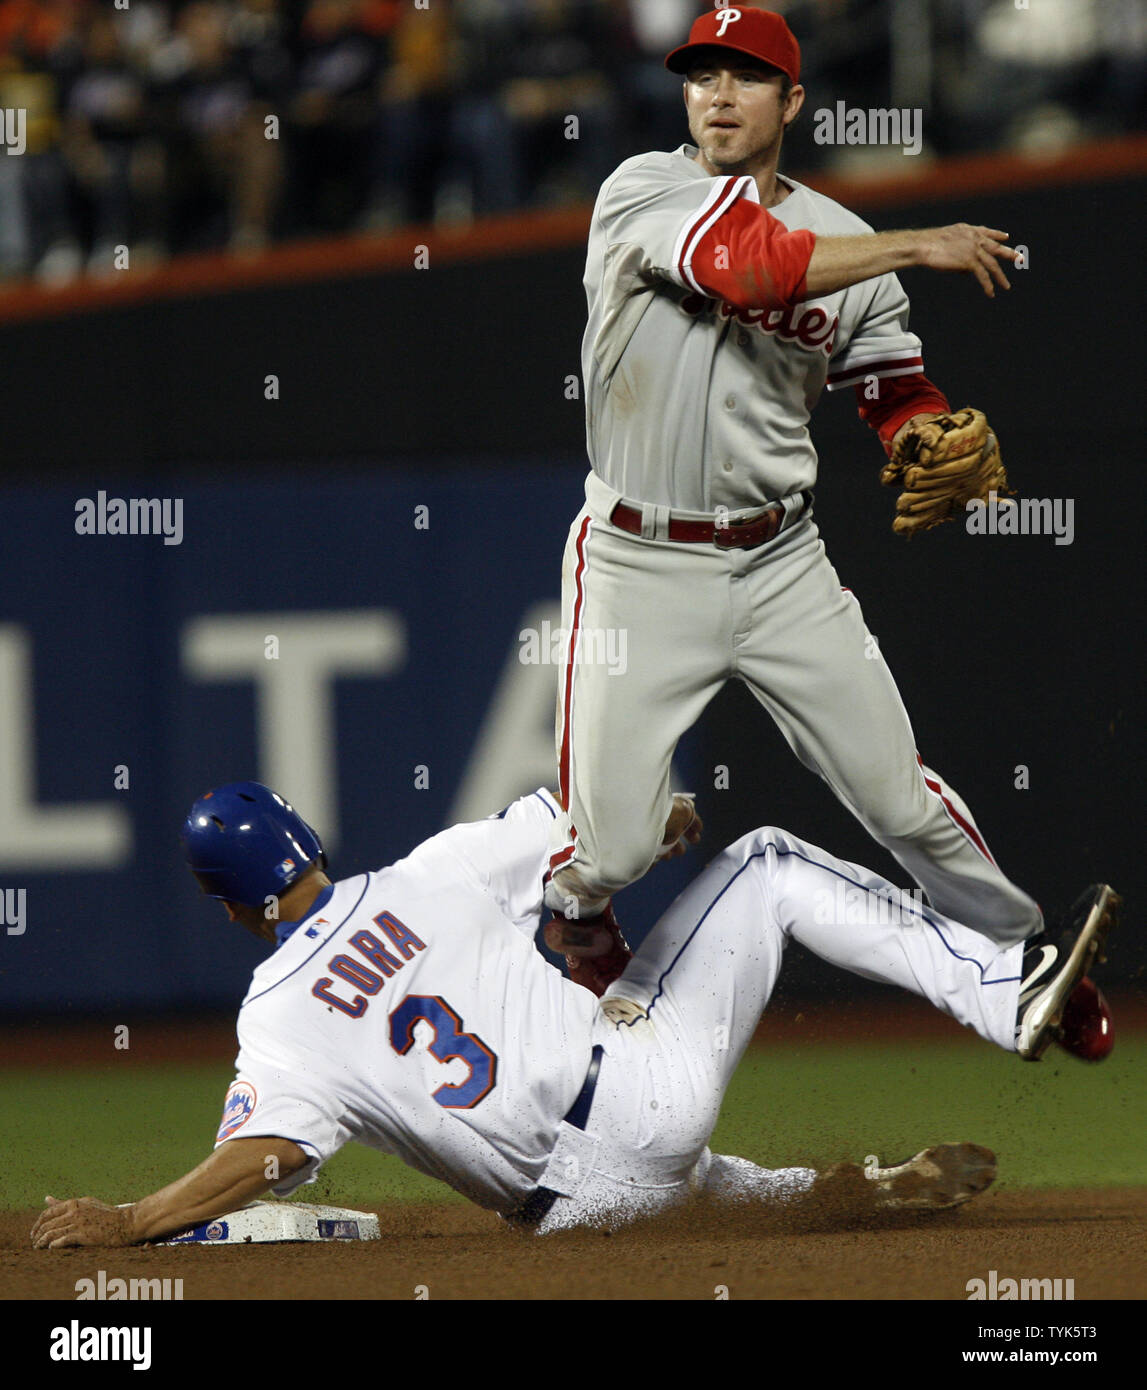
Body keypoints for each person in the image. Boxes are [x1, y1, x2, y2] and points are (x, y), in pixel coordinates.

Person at [539, 7, 1111, 1057]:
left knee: (901, 797)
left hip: (778, 561)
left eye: (745, 77)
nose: (717, 94)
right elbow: (751, 268)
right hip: (636, 559)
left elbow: (891, 388)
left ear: (790, 102)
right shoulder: (641, 192)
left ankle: (1025, 957)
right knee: (613, 845)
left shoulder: (847, 239)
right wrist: (924, 238)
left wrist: (921, 429)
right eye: (701, 74)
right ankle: (574, 911)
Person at [30, 780, 1117, 1249]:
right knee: (771, 863)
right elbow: (616, 818)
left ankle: (841, 1193)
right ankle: (1003, 992)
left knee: (659, 1172)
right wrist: (656, 824)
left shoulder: (275, 1019)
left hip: (570, 1216)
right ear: (308, 840)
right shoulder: (437, 870)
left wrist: (130, 1220)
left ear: (228, 906)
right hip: (643, 1097)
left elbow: (265, 1155)